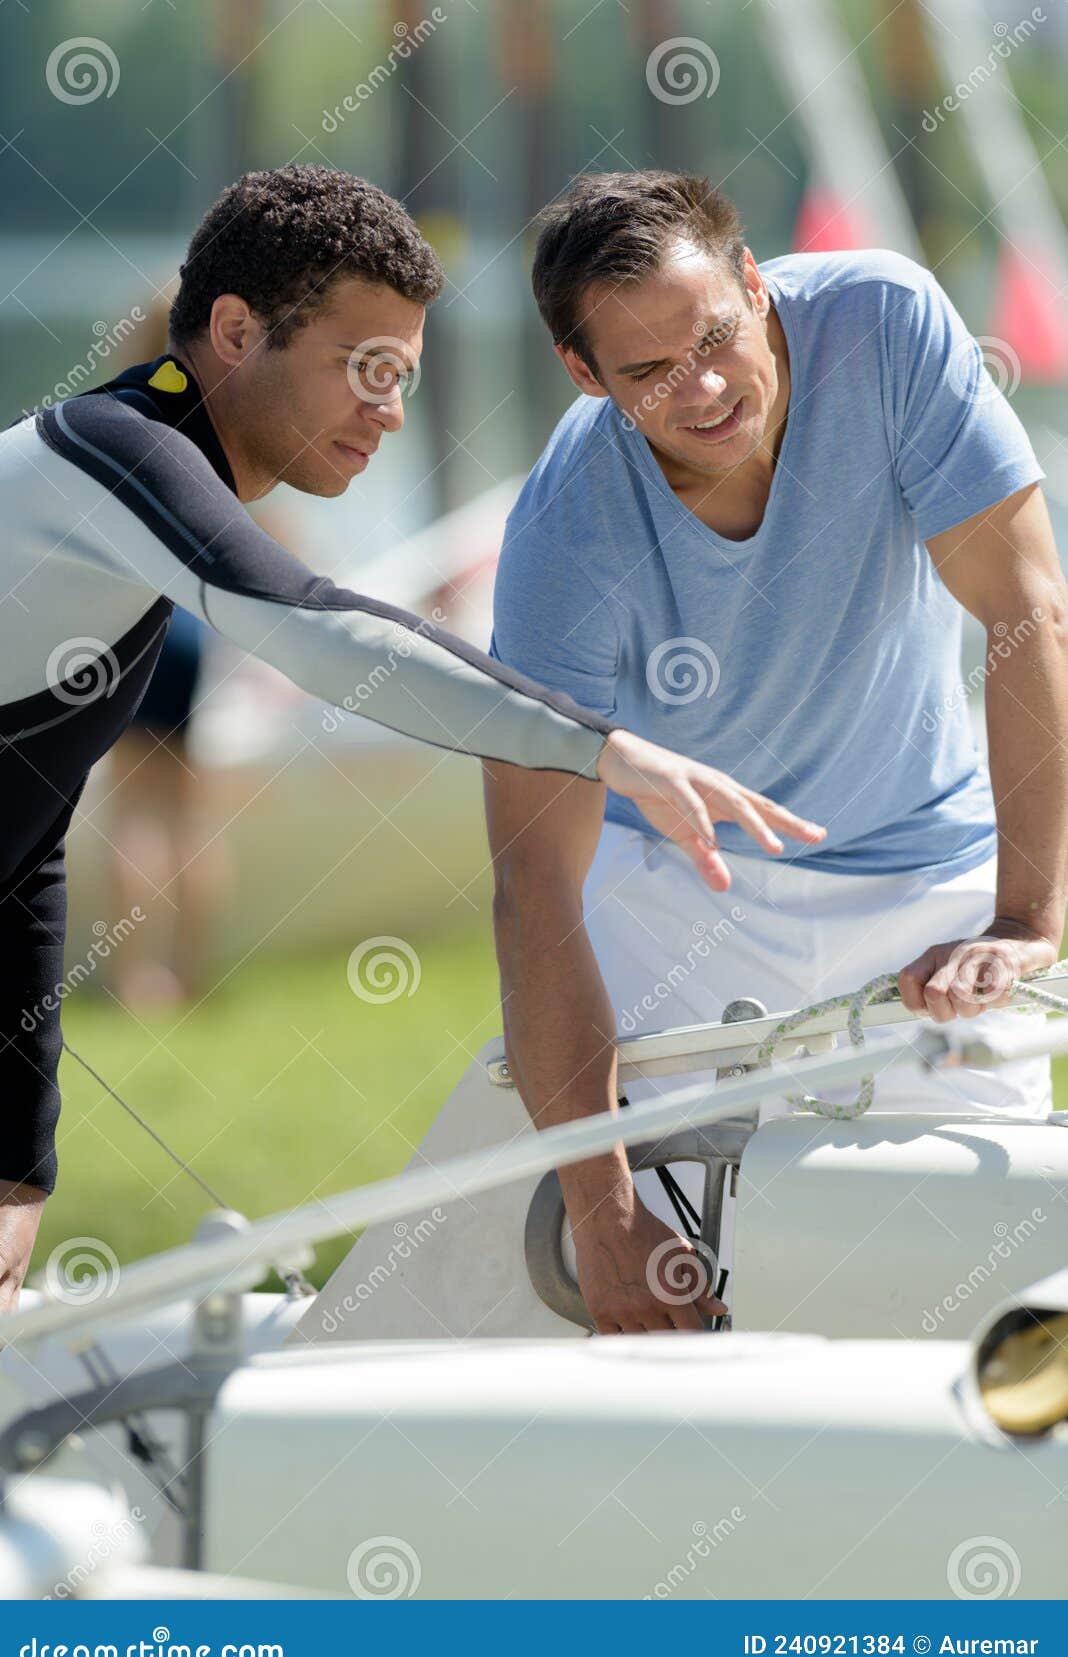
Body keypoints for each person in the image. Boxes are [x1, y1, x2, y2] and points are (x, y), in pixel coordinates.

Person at [0, 165, 823, 1312]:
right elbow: (317, 629)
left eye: (407, 376)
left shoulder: (126, 517)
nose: (390, 410)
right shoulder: (113, 449)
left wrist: (16, 1169)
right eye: (364, 368)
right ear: (236, 332)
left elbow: (25, 854)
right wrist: (604, 747)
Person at [485, 170, 1068, 1336]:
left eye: (715, 336)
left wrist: (1026, 918)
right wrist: (600, 1218)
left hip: (926, 868)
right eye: (648, 372)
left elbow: (1028, 614)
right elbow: (535, 878)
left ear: (756, 285)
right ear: (586, 376)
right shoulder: (565, 528)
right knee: (668, 1318)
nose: (703, 390)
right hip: (678, 900)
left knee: (997, 1289)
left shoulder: (884, 327)